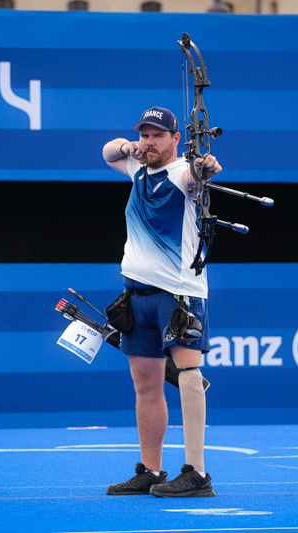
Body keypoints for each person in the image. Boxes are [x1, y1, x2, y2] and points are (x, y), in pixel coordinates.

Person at [101, 106, 219, 498]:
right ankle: (151, 471)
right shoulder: (136, 171)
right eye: (145, 135)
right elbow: (108, 152)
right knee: (146, 384)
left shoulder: (183, 173)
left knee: (187, 373)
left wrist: (204, 168)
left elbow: (196, 175)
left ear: (175, 140)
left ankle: (197, 473)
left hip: (177, 294)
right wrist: (128, 146)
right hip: (137, 296)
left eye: (157, 136)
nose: (149, 142)